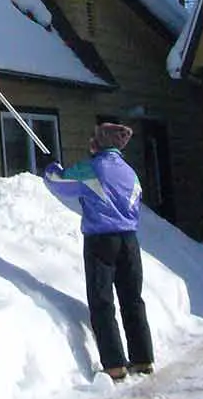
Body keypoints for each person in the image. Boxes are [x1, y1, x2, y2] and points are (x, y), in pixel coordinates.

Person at [43, 122, 154, 382]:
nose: (89, 142)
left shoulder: (92, 168)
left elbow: (58, 182)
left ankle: (114, 365)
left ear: (99, 143)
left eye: (92, 138)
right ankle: (143, 358)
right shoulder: (129, 172)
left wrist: (50, 165)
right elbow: (136, 199)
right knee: (132, 299)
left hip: (100, 241)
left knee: (102, 301)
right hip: (129, 241)